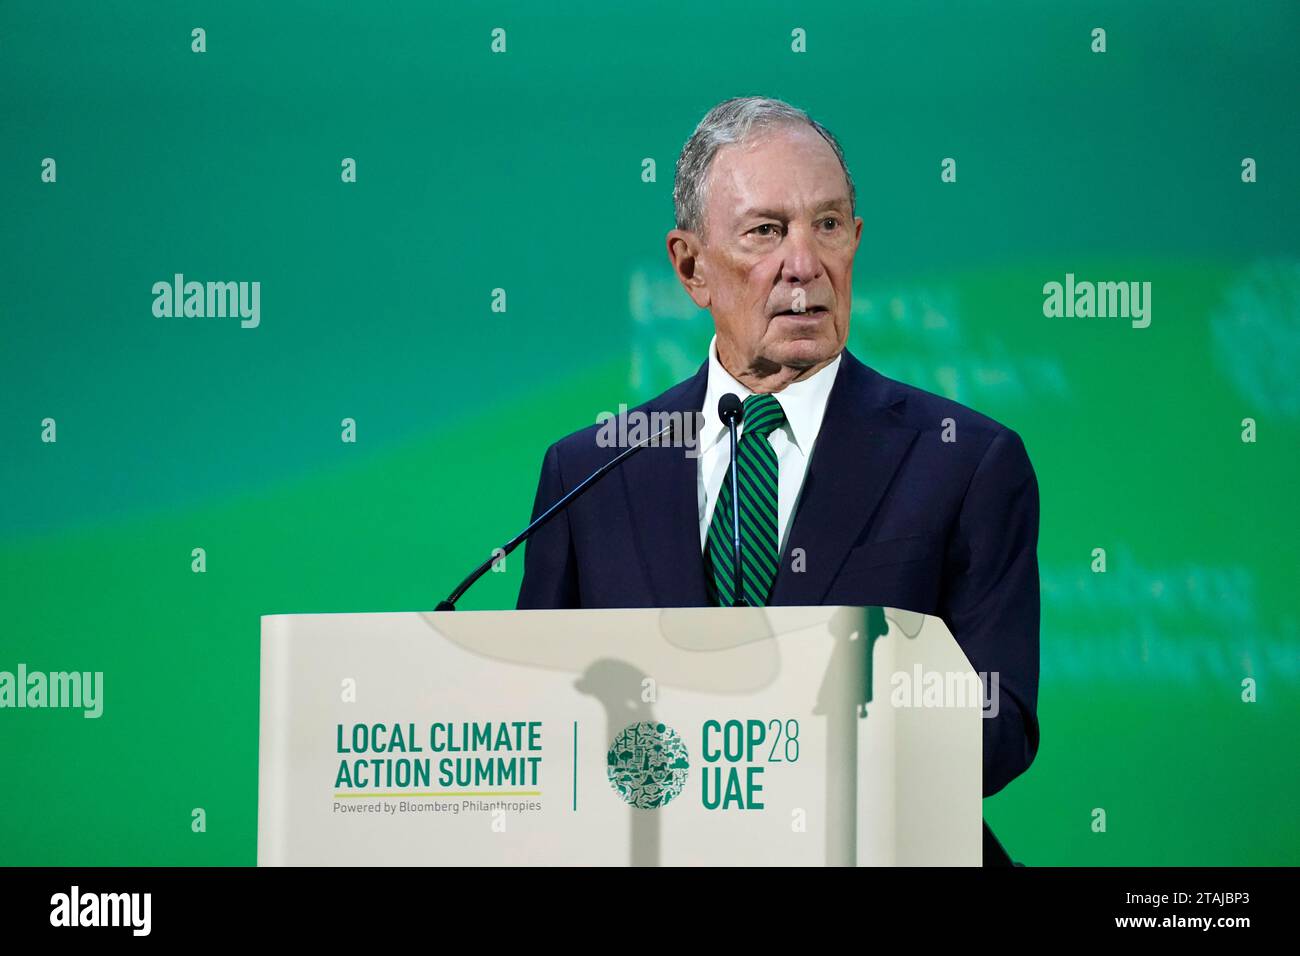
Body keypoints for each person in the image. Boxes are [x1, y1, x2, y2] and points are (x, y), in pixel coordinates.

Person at [517, 96, 1040, 818]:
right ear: (691, 266)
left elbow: (999, 727)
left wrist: (788, 742)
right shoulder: (592, 473)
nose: (805, 265)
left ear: (855, 240)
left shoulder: (963, 463)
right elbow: (536, 721)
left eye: (827, 226)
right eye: (766, 231)